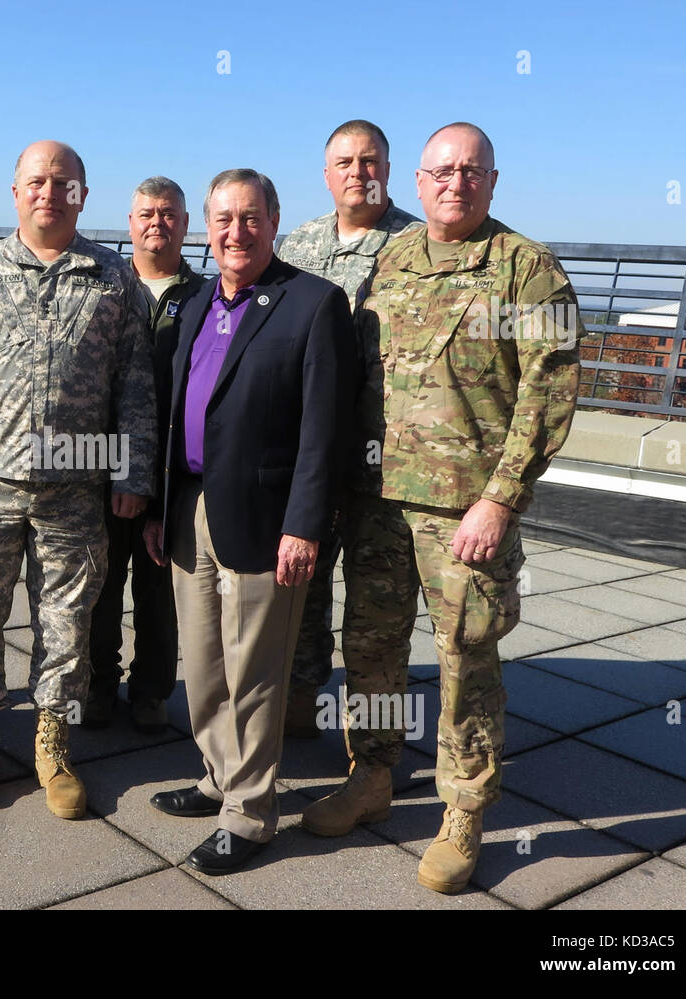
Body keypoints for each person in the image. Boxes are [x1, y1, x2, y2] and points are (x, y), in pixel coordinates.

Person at [310, 122, 582, 894]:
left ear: (492, 180)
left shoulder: (528, 270)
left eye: (470, 170)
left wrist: (500, 500)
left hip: (465, 515)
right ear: (417, 182)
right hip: (377, 503)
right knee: (370, 645)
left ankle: (463, 809)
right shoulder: (393, 259)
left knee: (466, 658)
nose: (454, 182)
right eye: (441, 171)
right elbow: (360, 375)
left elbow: (551, 391)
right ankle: (373, 775)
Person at [0, 140, 156, 820]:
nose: (50, 192)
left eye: (64, 183)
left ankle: (53, 742)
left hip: (74, 494)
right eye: (37, 181)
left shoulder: (113, 279)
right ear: (15, 193)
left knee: (67, 626)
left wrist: (134, 469)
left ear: (81, 194)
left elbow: (136, 384)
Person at [143, 169, 352, 874]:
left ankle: (252, 811)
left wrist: (305, 524)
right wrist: (159, 505)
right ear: (208, 225)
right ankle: (217, 774)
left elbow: (326, 431)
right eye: (224, 219)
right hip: (191, 506)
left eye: (251, 217)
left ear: (274, 220)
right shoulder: (196, 301)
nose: (237, 231)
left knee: (255, 673)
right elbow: (176, 413)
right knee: (202, 664)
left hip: (267, 519)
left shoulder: (314, 304)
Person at [275, 121, 422, 737]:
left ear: (387, 168)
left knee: (377, 615)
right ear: (327, 173)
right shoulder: (299, 245)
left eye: (370, 161)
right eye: (345, 162)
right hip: (310, 457)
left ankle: (375, 755)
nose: (358, 173)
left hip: (387, 463)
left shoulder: (419, 246)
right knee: (299, 592)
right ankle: (300, 702)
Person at [86, 176, 204, 733]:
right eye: (146, 214)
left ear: (184, 223)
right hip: (104, 460)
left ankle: (152, 690)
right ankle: (97, 686)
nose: (157, 223)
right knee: (99, 588)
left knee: (160, 592)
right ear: (130, 223)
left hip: (174, 469)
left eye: (168, 214)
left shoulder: (205, 298)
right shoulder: (101, 286)